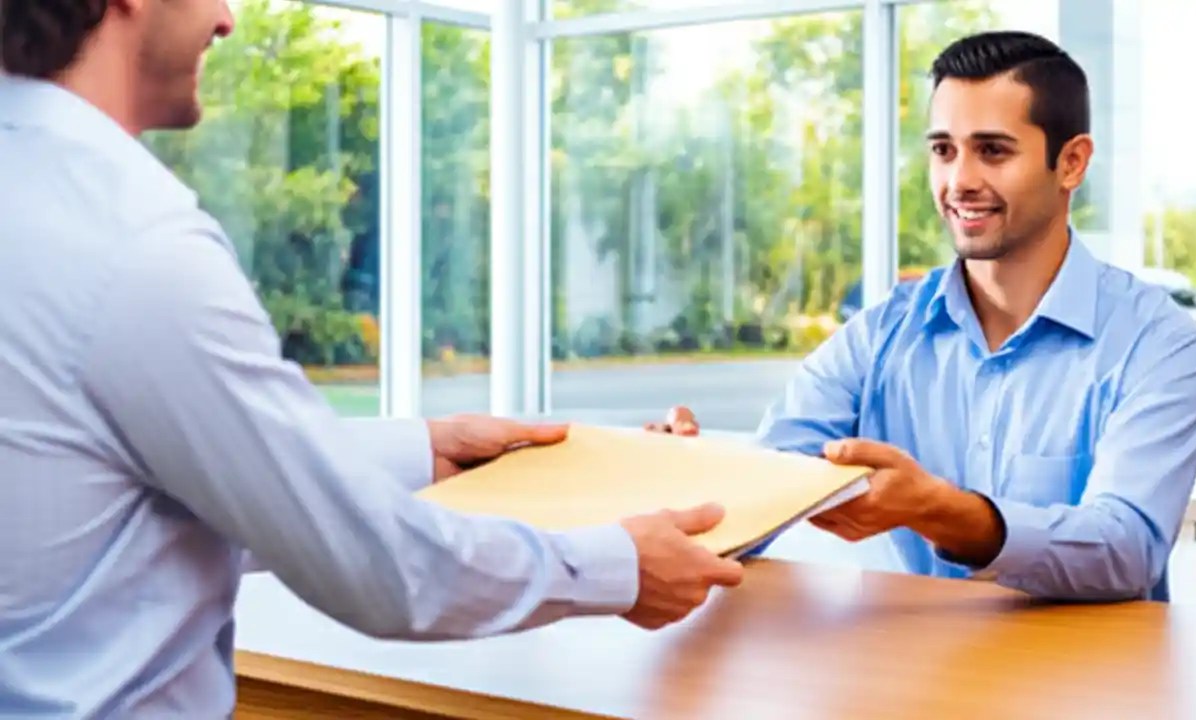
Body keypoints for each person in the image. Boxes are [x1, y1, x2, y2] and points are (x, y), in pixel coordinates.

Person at [0, 1, 742, 716]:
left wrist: (426, 450)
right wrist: (619, 568)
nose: (226, 19)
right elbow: (378, 571)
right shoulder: (134, 245)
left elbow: (127, 475)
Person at [654, 31, 1196, 603]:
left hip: (1089, 681)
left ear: (1071, 163)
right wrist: (685, 479)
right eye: (944, 150)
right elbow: (771, 484)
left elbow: (1123, 551)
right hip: (908, 669)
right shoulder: (880, 334)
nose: (960, 181)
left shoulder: (1163, 347)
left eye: (993, 151)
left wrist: (949, 515)